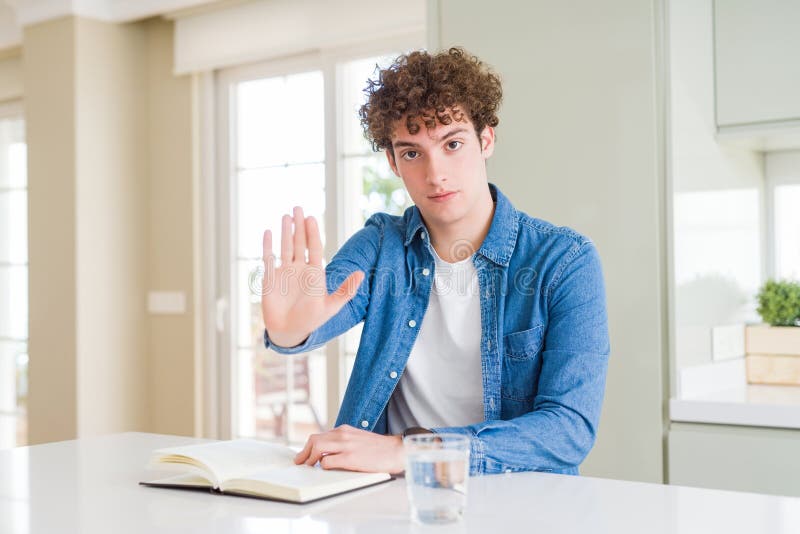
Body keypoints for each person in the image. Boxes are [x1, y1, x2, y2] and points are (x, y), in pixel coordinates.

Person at [261, 47, 609, 476]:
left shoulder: (564, 262)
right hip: (389, 500)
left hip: (518, 500)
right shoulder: (380, 244)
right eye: (412, 153)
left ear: (486, 140)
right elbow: (319, 307)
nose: (435, 173)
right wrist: (291, 331)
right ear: (392, 161)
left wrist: (417, 452)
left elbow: (569, 430)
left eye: (453, 143)